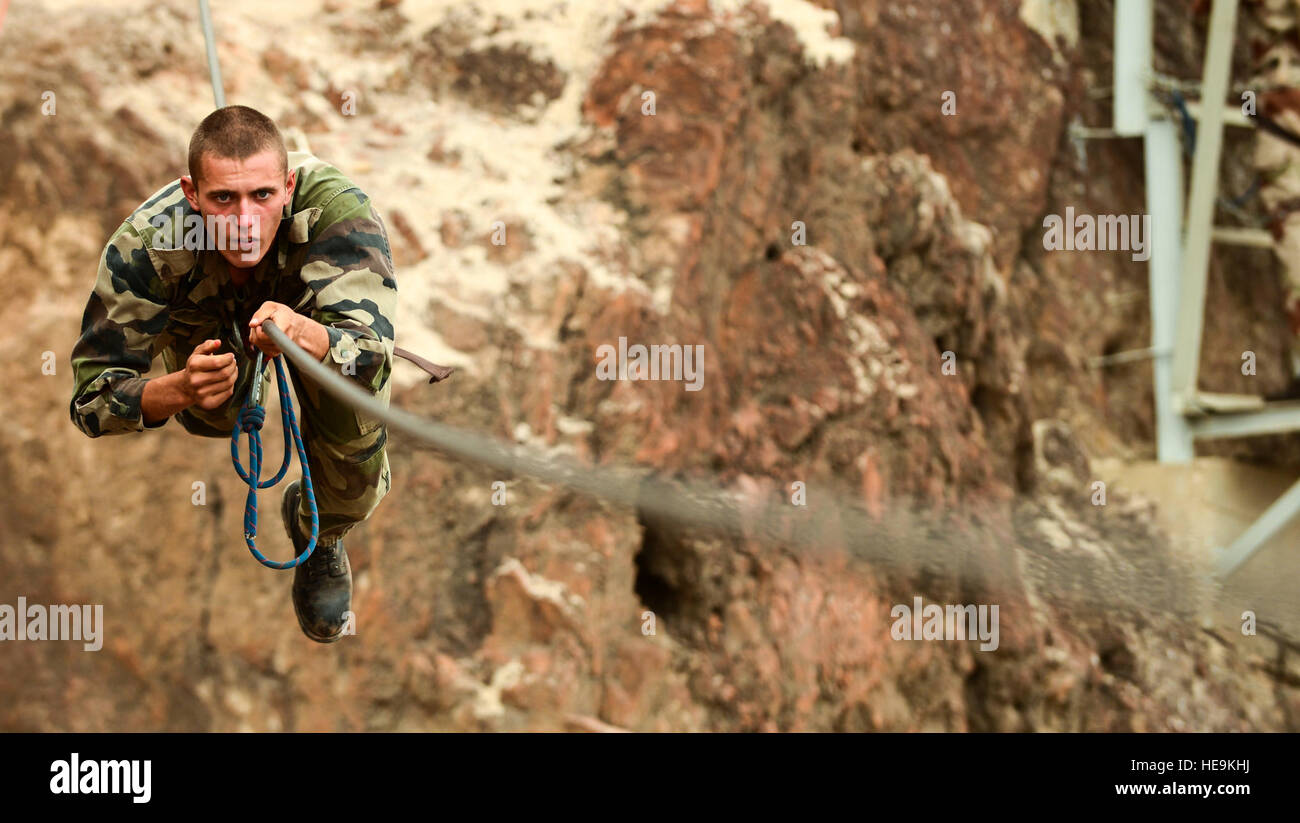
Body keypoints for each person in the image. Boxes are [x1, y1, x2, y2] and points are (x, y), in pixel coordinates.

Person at [68, 105, 397, 643]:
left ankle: (321, 529)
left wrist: (302, 333)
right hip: (209, 319)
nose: (244, 220)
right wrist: (177, 389)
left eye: (262, 196)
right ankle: (214, 389)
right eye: (224, 198)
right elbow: (90, 401)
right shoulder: (150, 244)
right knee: (214, 416)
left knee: (355, 477)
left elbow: (370, 358)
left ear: (289, 186)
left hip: (316, 323)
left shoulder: (339, 214)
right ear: (191, 194)